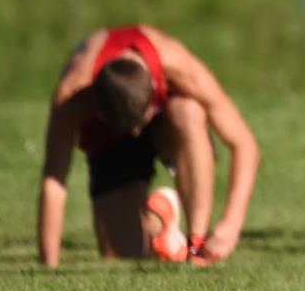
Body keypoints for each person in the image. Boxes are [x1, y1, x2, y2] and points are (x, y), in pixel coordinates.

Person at [37, 24, 259, 268]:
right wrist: (49, 265)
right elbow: (54, 181)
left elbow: (244, 144)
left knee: (188, 111)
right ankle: (161, 222)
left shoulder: (176, 65)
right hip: (109, 140)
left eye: (139, 123)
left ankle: (196, 246)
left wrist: (231, 225)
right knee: (121, 253)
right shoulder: (73, 94)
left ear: (154, 89)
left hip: (168, 127)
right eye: (129, 128)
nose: (135, 132)